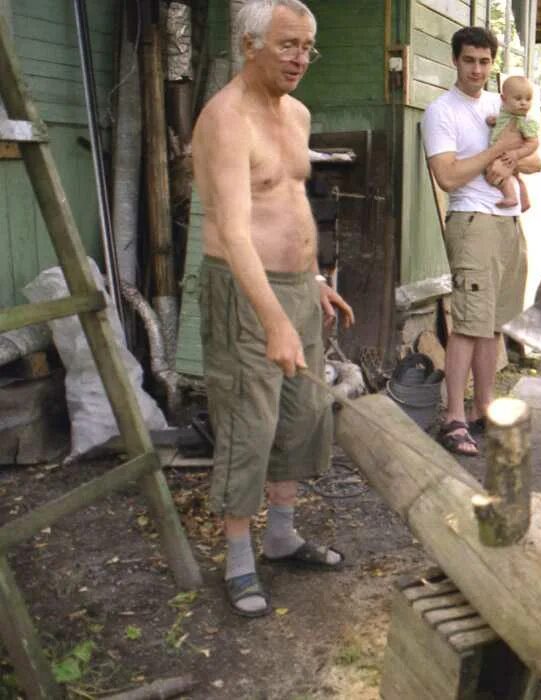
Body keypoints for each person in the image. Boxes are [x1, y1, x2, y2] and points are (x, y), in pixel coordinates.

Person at [192, 0, 354, 618]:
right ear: (249, 44)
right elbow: (235, 232)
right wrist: (274, 319)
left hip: (294, 286)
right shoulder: (226, 119)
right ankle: (238, 560)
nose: (301, 59)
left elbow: (286, 202)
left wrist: (310, 280)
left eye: (308, 47)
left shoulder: (298, 114)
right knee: (249, 421)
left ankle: (281, 536)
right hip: (244, 291)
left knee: (302, 413)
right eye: (288, 45)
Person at [422, 27, 541, 456]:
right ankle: (454, 417)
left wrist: (511, 159)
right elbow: (448, 176)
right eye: (469, 60)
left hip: (508, 223)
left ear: (493, 64)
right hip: (472, 221)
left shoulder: (502, 103)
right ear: (455, 60)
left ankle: (483, 408)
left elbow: (536, 159)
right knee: (469, 325)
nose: (477, 69)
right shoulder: (441, 112)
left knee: (493, 324)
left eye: (484, 62)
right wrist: (496, 152)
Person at [485, 75, 539, 210]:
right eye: (518, 99)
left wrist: (516, 154)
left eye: (528, 99)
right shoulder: (507, 114)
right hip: (502, 152)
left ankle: (511, 197)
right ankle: (524, 202)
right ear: (504, 99)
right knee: (514, 176)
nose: (523, 103)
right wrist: (495, 121)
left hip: (508, 154)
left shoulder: (525, 121)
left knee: (496, 172)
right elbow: (504, 123)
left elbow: (533, 143)